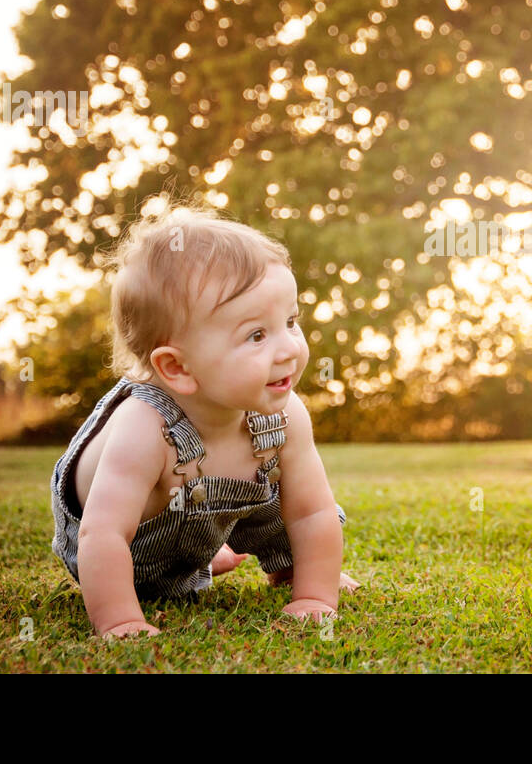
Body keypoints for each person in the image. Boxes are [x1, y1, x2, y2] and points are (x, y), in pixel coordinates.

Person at [49, 200, 360, 638]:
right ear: (177, 367)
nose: (289, 347)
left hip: (200, 512)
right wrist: (120, 621)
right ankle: (197, 556)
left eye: (290, 321)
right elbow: (103, 535)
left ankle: (276, 567)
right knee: (149, 566)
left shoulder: (285, 416)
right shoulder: (145, 427)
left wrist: (315, 596)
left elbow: (312, 513)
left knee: (282, 495)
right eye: (256, 334)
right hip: (124, 547)